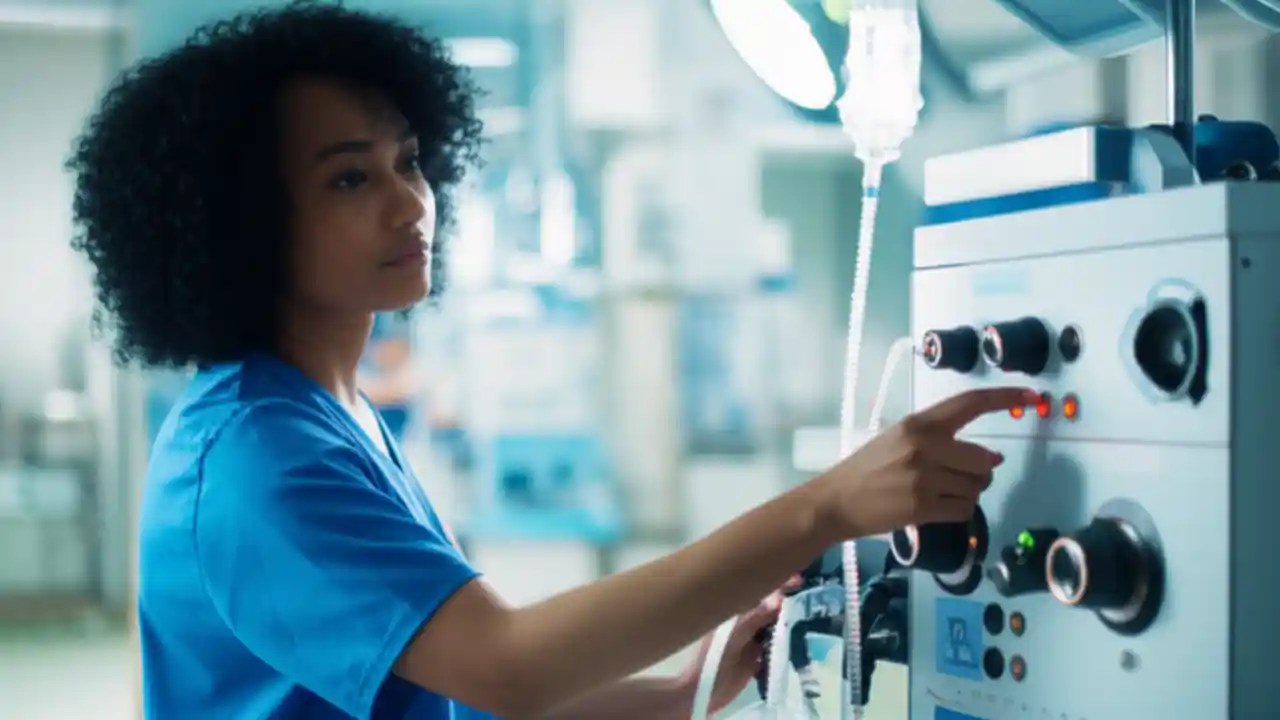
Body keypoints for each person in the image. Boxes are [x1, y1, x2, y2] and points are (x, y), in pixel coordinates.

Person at [66, 4, 1036, 719]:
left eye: (409, 162)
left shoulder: (326, 412)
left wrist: (684, 690)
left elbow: (458, 698)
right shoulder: (257, 460)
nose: (410, 205)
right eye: (350, 178)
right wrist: (821, 508)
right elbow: (506, 664)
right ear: (245, 223)